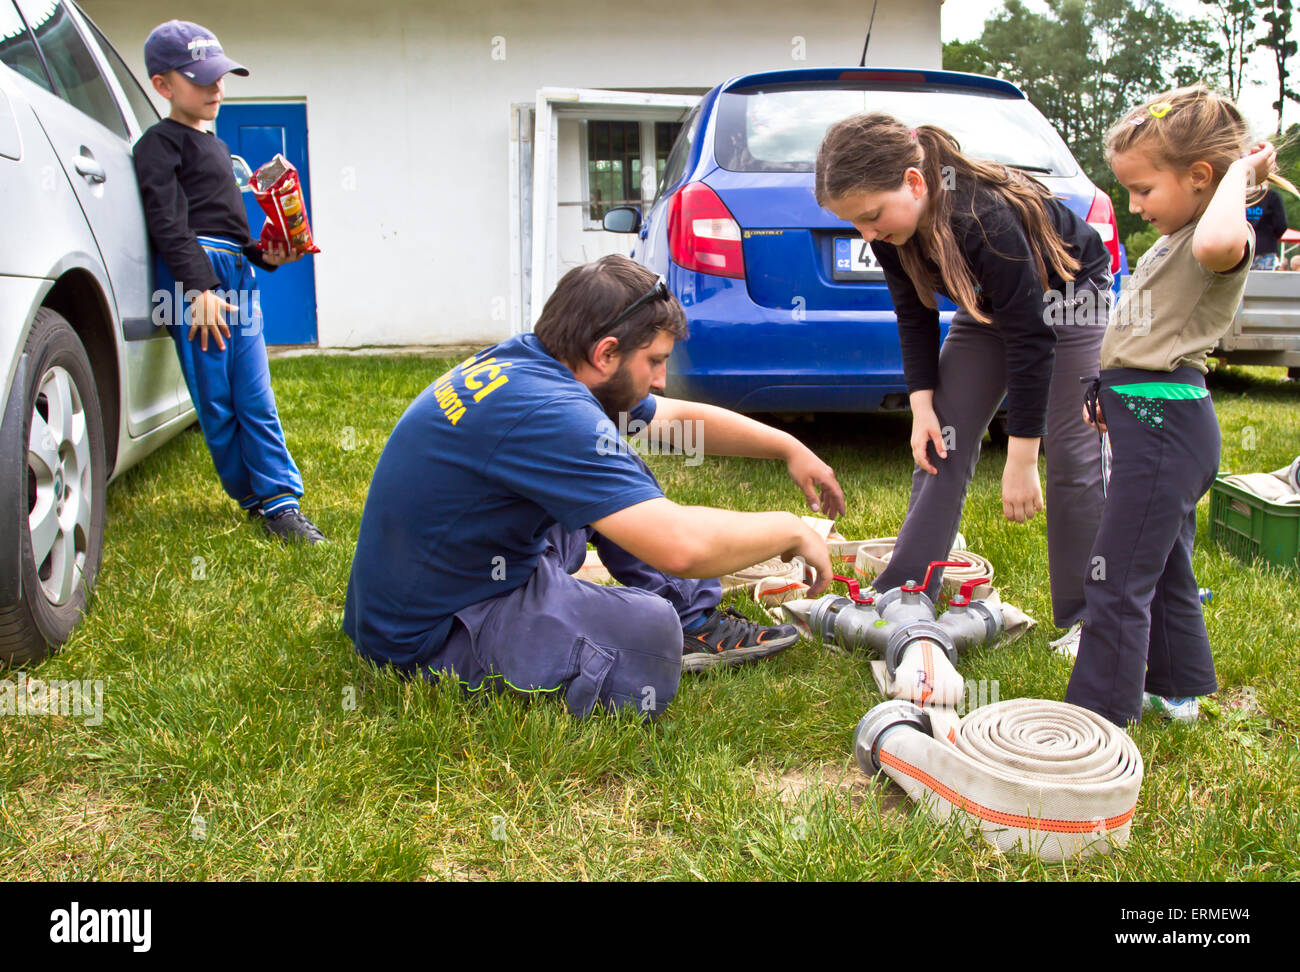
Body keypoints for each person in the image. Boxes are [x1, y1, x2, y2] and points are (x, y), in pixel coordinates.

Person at [342, 255, 846, 718]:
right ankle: (675, 625)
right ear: (606, 353)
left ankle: (694, 617)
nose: (662, 380)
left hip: (448, 575)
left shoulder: (530, 362)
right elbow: (679, 545)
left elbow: (672, 422)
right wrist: (791, 530)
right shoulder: (553, 414)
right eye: (654, 361)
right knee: (648, 635)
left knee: (616, 457)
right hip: (432, 633)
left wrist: (787, 447)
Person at [815, 114, 1113, 650]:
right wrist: (923, 407)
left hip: (1070, 296)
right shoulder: (889, 230)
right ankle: (906, 588)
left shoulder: (983, 217)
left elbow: (1032, 338)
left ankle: (1090, 619)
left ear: (914, 182)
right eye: (855, 223)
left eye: (872, 217)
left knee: (1072, 455)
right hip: (994, 308)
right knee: (940, 441)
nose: (867, 234)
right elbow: (914, 314)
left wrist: (1022, 460)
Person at [1069, 84, 1287, 726]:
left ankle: (1099, 717)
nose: (1135, 206)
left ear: (1200, 178)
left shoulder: (1224, 238)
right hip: (1152, 420)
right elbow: (1143, 331)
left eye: (1143, 190)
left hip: (1168, 425)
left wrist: (1241, 175)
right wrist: (1106, 387)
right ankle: (1177, 687)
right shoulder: (1177, 236)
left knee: (1115, 575)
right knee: (1160, 564)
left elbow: (1218, 244)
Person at [133, 20, 325, 544]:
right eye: (201, 79)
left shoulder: (219, 150)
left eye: (221, 77)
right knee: (217, 401)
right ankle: (252, 498)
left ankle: (282, 504)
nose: (217, 88)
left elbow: (235, 235)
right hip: (195, 283)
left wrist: (270, 255)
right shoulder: (158, 145)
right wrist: (200, 291)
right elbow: (168, 224)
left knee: (254, 394)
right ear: (163, 84)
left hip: (236, 278)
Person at [1246, 185, 1288, 269]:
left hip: (1243, 248)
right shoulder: (1273, 197)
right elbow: (1281, 224)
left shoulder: (1241, 196)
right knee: (1265, 279)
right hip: (1266, 248)